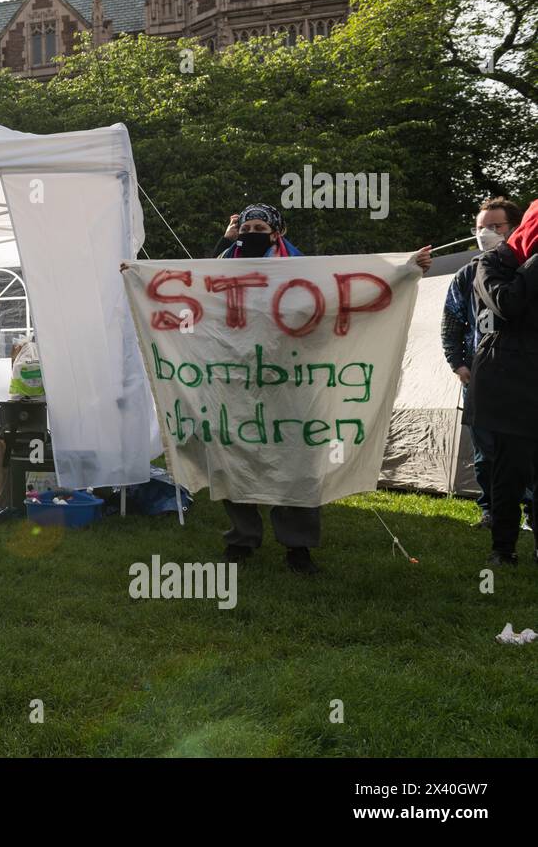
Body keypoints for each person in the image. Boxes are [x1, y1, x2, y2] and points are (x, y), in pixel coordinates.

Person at [214, 204, 431, 573]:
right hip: (240, 382)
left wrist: (405, 269)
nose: (251, 231)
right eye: (246, 226)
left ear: (276, 233)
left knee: (297, 461)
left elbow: (343, 292)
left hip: (293, 382)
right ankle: (242, 538)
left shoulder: (305, 271)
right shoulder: (223, 266)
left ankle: (297, 546)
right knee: (237, 457)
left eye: (259, 226)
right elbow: (201, 292)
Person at [442, 196, 533, 532]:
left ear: (516, 227)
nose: (487, 233)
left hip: (525, 378)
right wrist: (458, 364)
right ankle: (492, 511)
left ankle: (529, 513)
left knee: (526, 451)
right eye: (481, 228)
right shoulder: (468, 274)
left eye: (495, 227)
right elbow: (452, 321)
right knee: (486, 454)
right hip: (482, 378)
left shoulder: (528, 269)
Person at [465, 200, 538, 567]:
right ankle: (503, 548)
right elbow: (506, 304)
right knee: (509, 470)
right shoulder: (489, 264)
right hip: (507, 380)